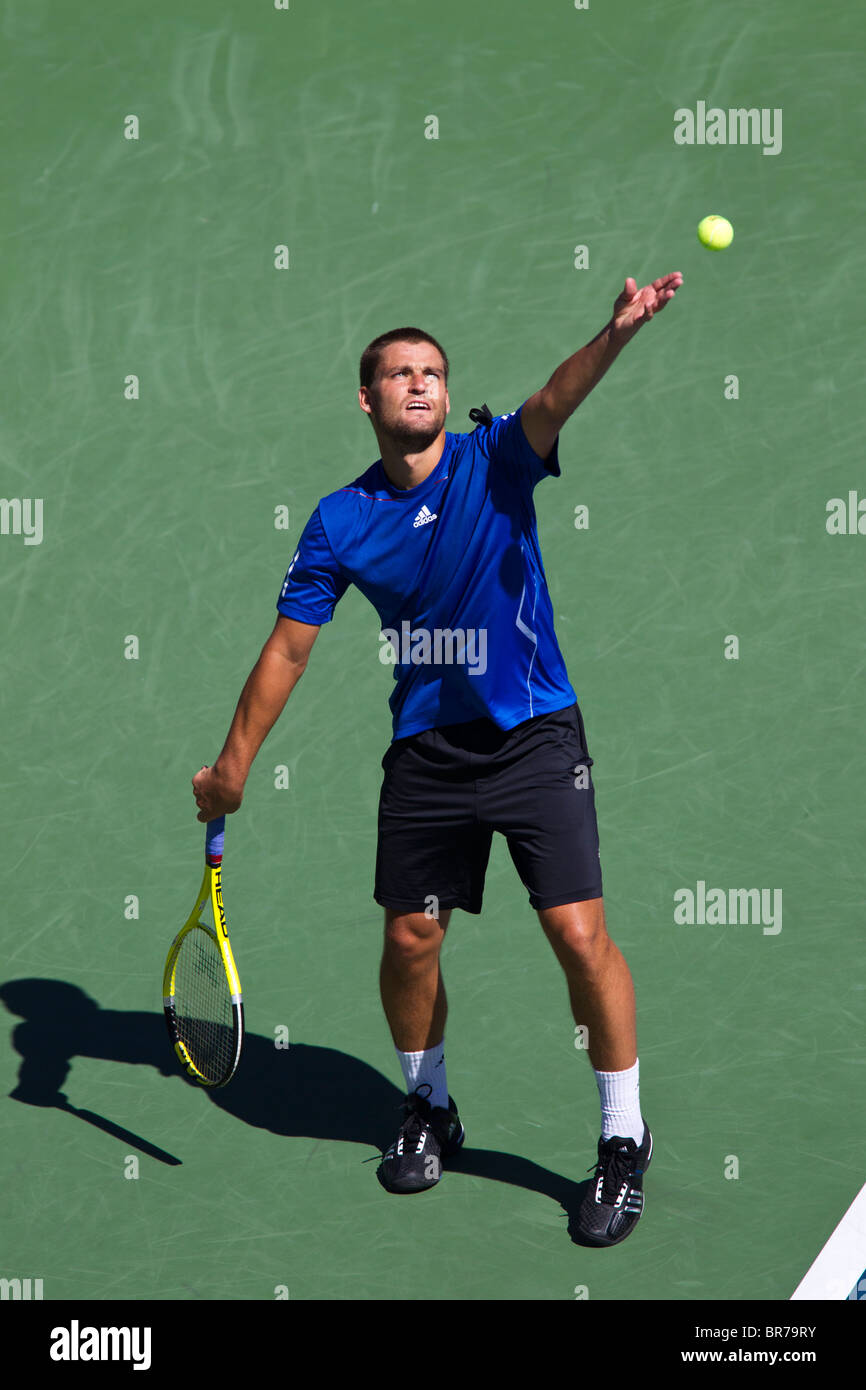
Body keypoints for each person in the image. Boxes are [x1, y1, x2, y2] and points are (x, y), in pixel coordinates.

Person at [192, 271, 683, 1246]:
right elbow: (290, 645)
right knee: (411, 938)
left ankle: (622, 1139)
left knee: (578, 937)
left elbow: (553, 397)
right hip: (426, 750)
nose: (417, 384)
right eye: (397, 373)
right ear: (367, 401)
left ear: (447, 398)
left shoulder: (495, 461)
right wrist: (232, 763)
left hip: (537, 733)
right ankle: (428, 1106)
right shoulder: (339, 521)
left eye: (432, 373)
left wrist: (615, 330)